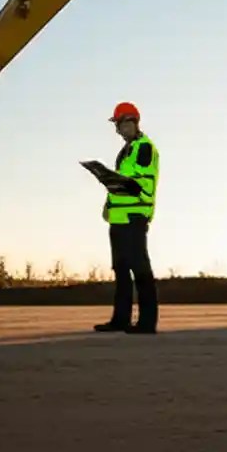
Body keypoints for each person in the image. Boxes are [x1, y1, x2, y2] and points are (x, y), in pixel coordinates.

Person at [93, 101, 160, 334]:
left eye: (119, 124)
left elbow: (135, 180)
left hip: (135, 215)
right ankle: (120, 319)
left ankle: (147, 322)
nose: (118, 130)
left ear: (131, 122)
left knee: (139, 268)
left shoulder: (143, 147)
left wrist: (114, 179)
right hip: (119, 218)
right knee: (121, 269)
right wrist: (108, 203)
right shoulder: (125, 151)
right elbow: (121, 184)